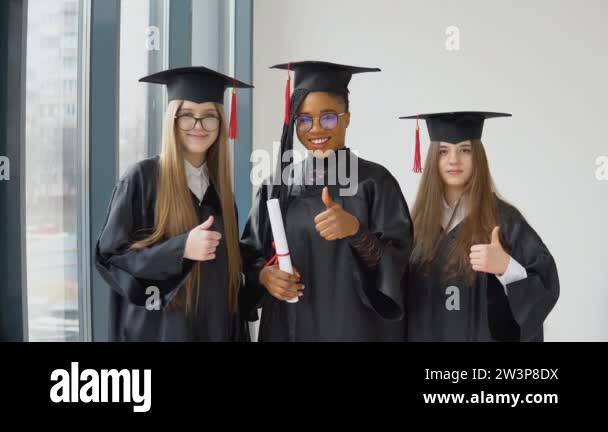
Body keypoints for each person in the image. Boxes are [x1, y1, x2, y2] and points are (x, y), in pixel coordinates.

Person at [241, 61, 413, 341]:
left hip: (356, 331)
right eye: (304, 119)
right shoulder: (277, 186)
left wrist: (356, 232)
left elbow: (398, 265)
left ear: (347, 118)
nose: (316, 129)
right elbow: (249, 256)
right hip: (289, 329)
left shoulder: (375, 182)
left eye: (329, 117)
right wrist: (264, 276)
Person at [95, 66, 253, 341]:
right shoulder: (141, 179)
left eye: (209, 117)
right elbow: (112, 259)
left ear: (221, 123)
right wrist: (180, 250)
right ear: (172, 120)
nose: (198, 126)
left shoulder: (221, 193)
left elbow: (229, 277)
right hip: (161, 332)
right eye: (187, 116)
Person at [400, 111, 560, 341]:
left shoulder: (505, 221)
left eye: (465, 150)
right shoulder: (414, 226)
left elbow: (546, 288)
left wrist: (507, 268)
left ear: (479, 157)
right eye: (444, 151)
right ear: (433, 159)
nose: (454, 159)